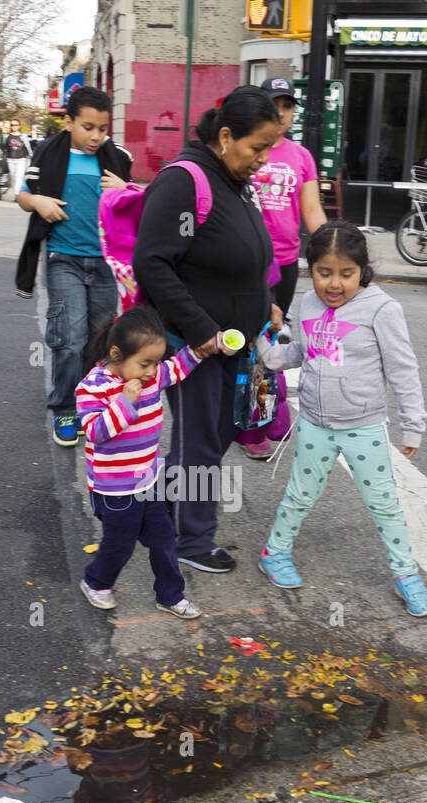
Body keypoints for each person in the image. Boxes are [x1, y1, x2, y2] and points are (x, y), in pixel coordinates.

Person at [132, 86, 283, 574]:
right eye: (256, 147)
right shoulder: (184, 181)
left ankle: (163, 505)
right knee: (199, 442)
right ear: (225, 135)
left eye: (268, 149)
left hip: (237, 344)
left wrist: (267, 308)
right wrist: (200, 331)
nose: (262, 159)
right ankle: (192, 541)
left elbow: (245, 258)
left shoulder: (236, 181)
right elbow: (153, 263)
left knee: (219, 435)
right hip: (195, 345)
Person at [255, 221, 427, 617]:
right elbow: (305, 351)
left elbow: (403, 369)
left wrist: (413, 423)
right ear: (310, 268)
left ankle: (405, 573)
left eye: (346, 274)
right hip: (315, 424)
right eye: (323, 273)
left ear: (363, 270)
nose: (333, 284)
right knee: (300, 493)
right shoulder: (307, 303)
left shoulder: (383, 309)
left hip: (364, 426)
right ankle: (275, 552)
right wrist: (269, 353)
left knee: (384, 503)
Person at [14, 86, 133, 447]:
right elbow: (22, 195)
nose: (96, 136)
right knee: (69, 337)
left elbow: (136, 206)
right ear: (67, 122)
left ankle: (90, 402)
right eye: (87, 127)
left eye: (102, 128)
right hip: (63, 258)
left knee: (99, 338)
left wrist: (125, 189)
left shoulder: (117, 159)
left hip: (104, 263)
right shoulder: (49, 155)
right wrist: (37, 202)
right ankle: (65, 406)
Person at [75, 306, 208, 620]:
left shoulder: (151, 376)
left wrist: (200, 352)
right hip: (115, 489)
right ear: (117, 354)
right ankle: (96, 582)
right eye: (144, 363)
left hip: (148, 480)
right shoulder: (93, 388)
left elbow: (176, 368)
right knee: (119, 545)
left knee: (164, 541)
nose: (151, 372)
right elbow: (95, 432)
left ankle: (170, 595)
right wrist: (125, 402)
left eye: (155, 362)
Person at [235, 77, 328, 460]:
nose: (283, 113)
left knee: (270, 344)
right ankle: (249, 423)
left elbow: (311, 210)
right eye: (276, 105)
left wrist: (332, 249)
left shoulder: (301, 156)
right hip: (249, 263)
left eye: (289, 106)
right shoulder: (246, 149)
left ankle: (262, 413)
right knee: (249, 345)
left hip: (287, 263)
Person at [1, 118, 30, 198]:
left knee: (19, 177)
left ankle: (17, 195)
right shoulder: (7, 136)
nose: (14, 126)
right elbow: (4, 148)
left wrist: (31, 155)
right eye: (12, 125)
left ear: (19, 126)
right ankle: (16, 192)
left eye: (15, 125)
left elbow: (27, 146)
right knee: (13, 177)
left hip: (21, 159)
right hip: (10, 160)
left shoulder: (23, 136)